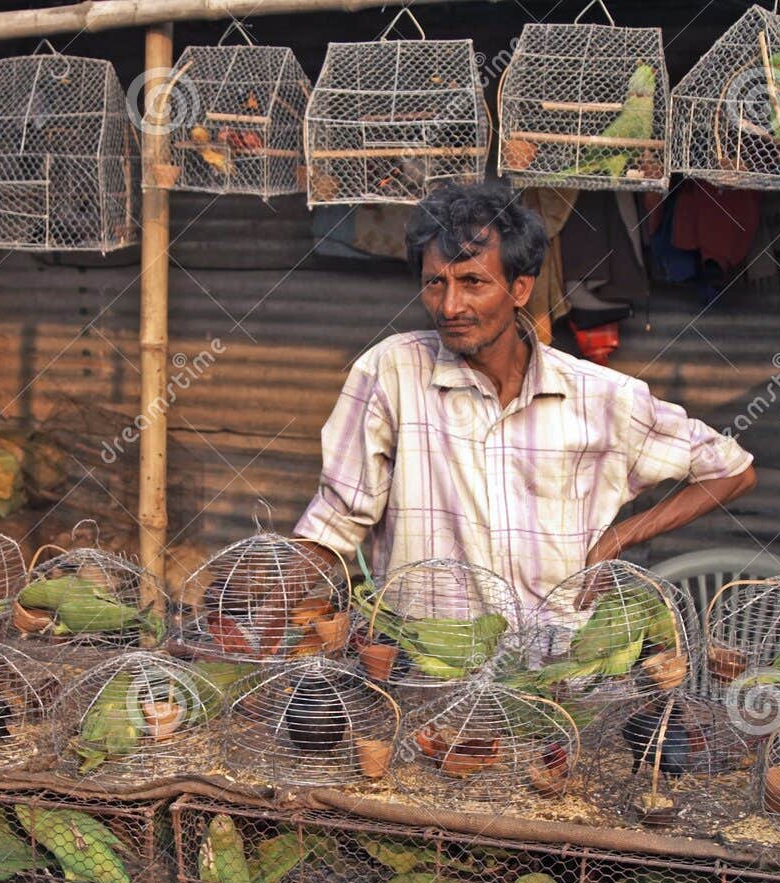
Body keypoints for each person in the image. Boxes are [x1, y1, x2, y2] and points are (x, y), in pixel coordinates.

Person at [295, 181, 756, 609]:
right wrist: (266, 594)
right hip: (427, 668)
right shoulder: (392, 371)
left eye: (472, 282)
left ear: (520, 288)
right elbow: (336, 518)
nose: (450, 306)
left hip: (555, 671)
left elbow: (732, 470)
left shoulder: (599, 396)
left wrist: (616, 540)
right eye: (436, 282)